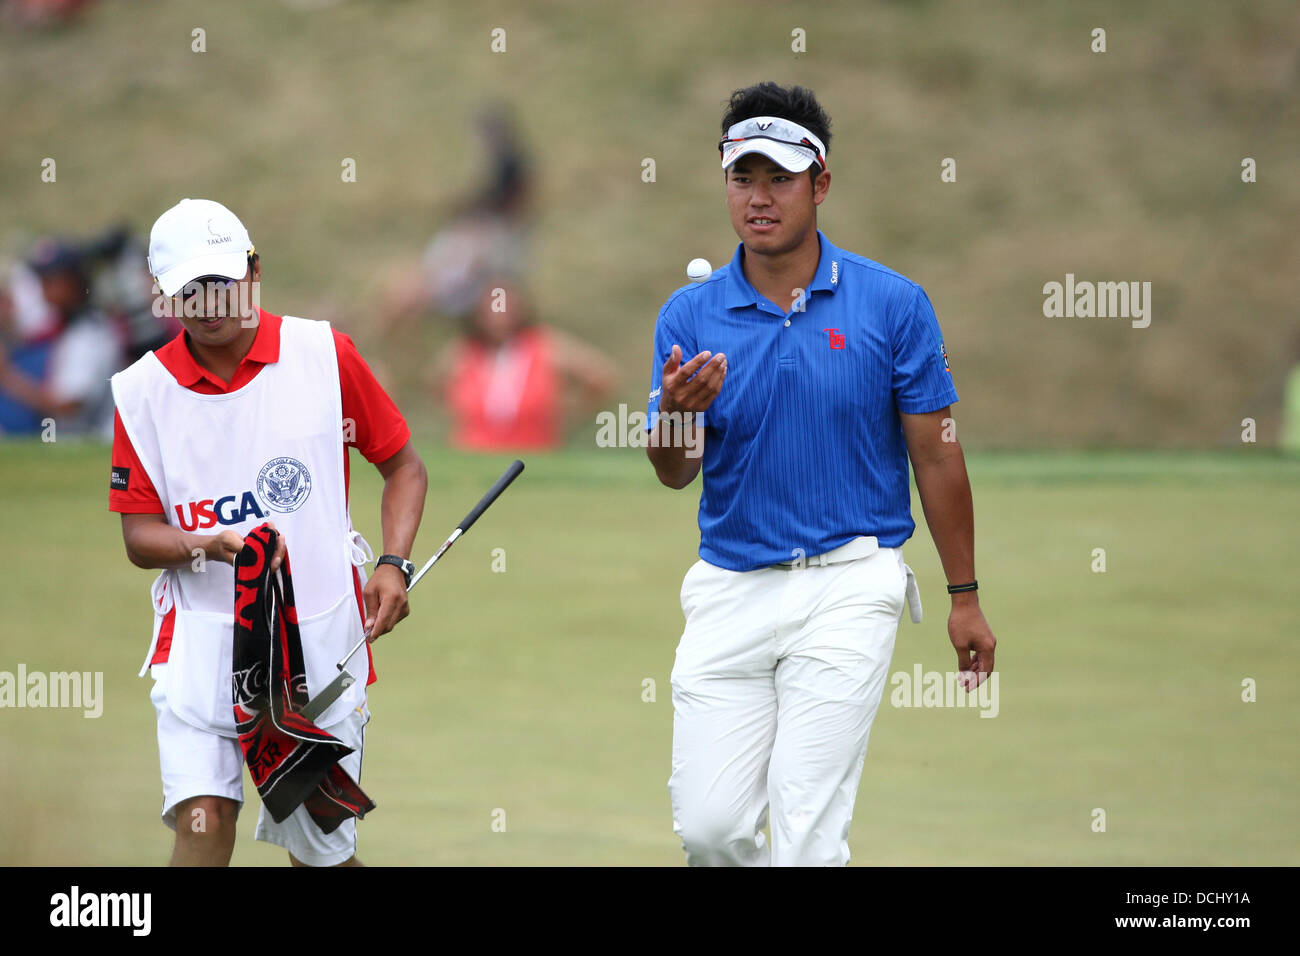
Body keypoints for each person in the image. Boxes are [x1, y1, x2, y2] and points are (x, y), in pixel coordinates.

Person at [645, 82, 998, 866]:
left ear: (821, 183)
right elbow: (674, 472)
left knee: (807, 834)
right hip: (730, 586)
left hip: (849, 582)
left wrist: (963, 595)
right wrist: (678, 414)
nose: (759, 198)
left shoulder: (893, 304)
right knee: (711, 832)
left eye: (779, 178)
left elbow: (936, 451)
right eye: (744, 178)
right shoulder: (689, 314)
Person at [109, 198, 428, 866]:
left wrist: (393, 563)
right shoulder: (142, 393)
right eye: (191, 289)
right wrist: (208, 545)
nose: (211, 302)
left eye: (223, 280)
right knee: (203, 822)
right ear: (165, 297)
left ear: (254, 270)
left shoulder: (322, 354)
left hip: (319, 648)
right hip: (201, 646)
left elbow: (402, 466)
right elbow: (140, 535)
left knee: (320, 855)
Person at [430, 278, 616, 451]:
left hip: (534, 447)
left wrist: (567, 413)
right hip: (475, 448)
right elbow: (437, 385)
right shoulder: (464, 352)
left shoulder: (544, 345)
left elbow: (599, 377)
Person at [0, 238, 124, 439]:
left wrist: (6, 377)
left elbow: (67, 406)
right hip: (68, 443)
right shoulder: (66, 324)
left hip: (92, 445)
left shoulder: (91, 334)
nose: (43, 288)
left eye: (51, 280)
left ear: (74, 282)